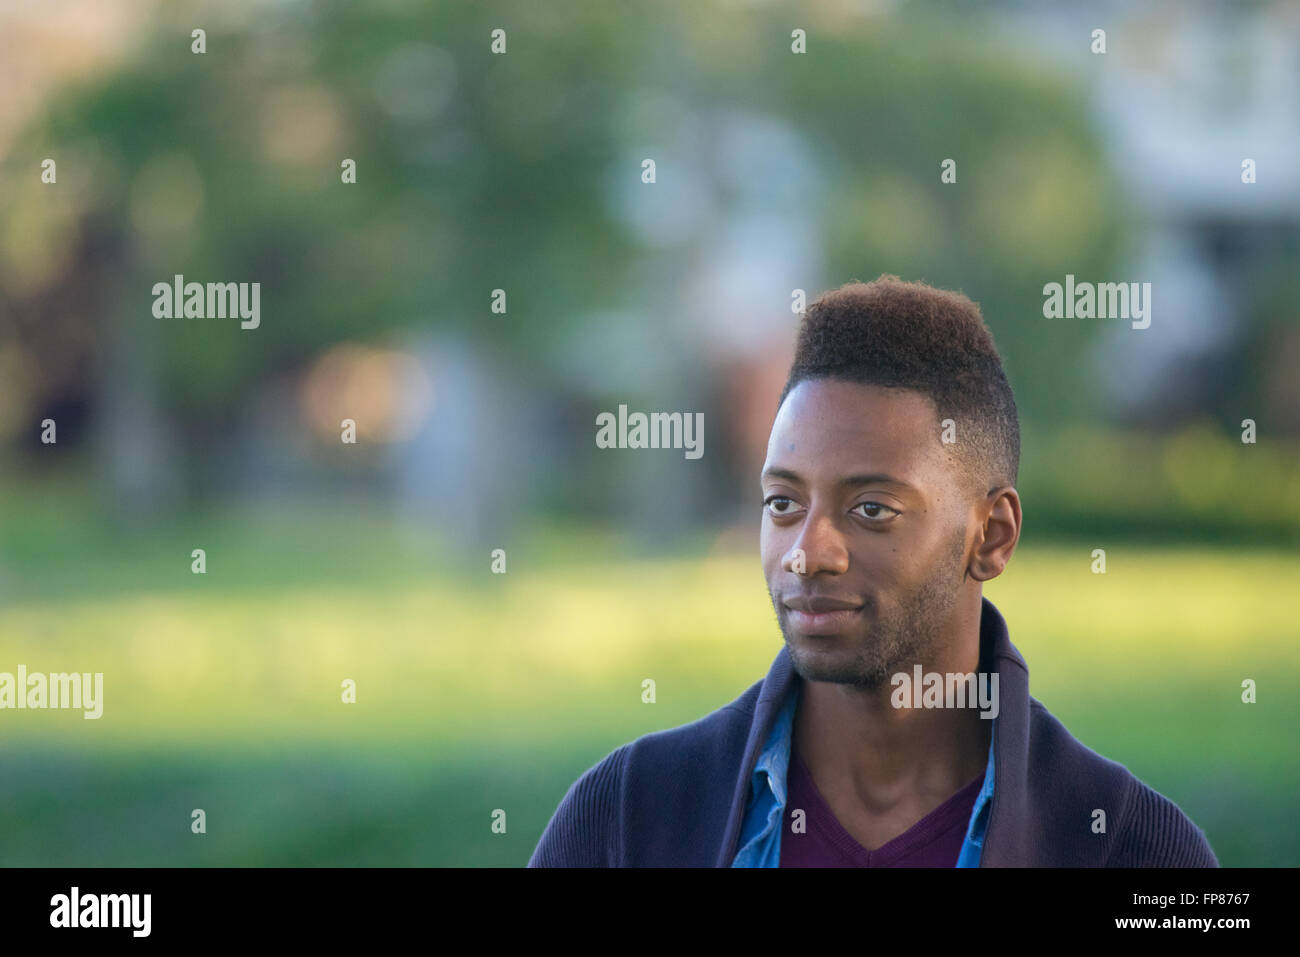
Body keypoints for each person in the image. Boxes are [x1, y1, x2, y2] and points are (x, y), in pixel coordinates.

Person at [529, 275, 1218, 867]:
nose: (809, 550)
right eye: (783, 502)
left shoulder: (1129, 847)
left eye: (870, 508)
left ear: (992, 534)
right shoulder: (625, 821)